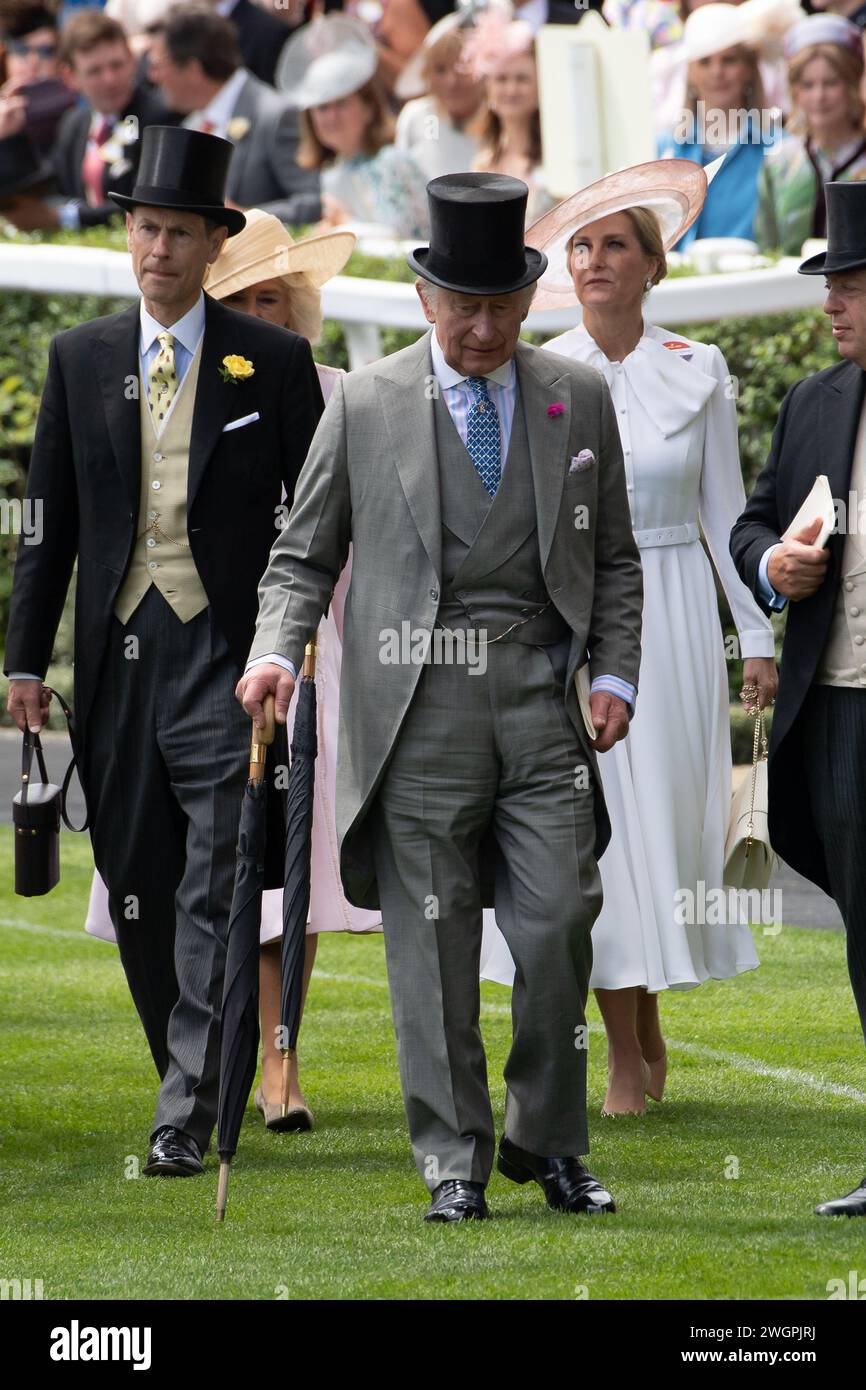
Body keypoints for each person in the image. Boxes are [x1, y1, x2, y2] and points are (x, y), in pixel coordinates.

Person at [238, 171, 644, 1223]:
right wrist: (275, 652)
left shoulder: (574, 396)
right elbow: (299, 557)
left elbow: (617, 563)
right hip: (411, 707)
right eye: (461, 307)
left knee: (558, 924)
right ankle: (452, 1161)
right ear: (423, 301)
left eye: (501, 307)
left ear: (525, 300)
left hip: (541, 703)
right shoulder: (365, 405)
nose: (481, 327)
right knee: (432, 946)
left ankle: (546, 1139)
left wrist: (611, 672)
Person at [3, 125, 324, 1177]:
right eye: (145, 228)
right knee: (135, 878)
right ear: (128, 233)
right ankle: (184, 1069)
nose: (158, 250)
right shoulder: (80, 356)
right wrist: (22, 664)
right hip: (114, 663)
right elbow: (46, 521)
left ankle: (187, 1109)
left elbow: (315, 520)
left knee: (216, 884)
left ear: (209, 243)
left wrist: (290, 638)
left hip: (226, 666)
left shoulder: (269, 362)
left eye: (179, 233)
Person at [481, 159, 777, 1115]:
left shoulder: (700, 368)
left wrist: (757, 640)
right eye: (582, 245)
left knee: (670, 833)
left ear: (652, 265)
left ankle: (645, 1030)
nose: (596, 260)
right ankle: (621, 1053)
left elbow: (725, 513)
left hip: (682, 618)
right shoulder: (545, 370)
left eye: (616, 245)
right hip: (581, 624)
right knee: (597, 838)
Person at [84, 209, 376, 1131]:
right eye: (244, 296)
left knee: (285, 868)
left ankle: (275, 1060)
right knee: (190, 870)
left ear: (302, 305)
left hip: (299, 645)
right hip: (171, 649)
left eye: (276, 297)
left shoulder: (331, 388)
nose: (262, 311)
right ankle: (203, 1059)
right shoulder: (171, 371)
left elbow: (350, 529)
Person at [731, 179, 866, 1217]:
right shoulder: (812, 400)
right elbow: (753, 522)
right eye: (829, 284)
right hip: (836, 712)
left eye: (850, 285)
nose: (830, 305)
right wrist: (771, 561)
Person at [148, 6, 321, 225]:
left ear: (192, 69)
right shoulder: (192, 123)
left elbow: (314, 202)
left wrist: (245, 217)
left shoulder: (276, 115)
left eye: (157, 65)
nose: (152, 76)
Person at [2, 10, 171, 232]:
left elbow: (146, 206)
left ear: (132, 60)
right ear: (70, 76)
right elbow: (49, 189)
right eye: (94, 71)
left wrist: (68, 218)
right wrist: (11, 136)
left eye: (116, 65)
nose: (109, 80)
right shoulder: (74, 123)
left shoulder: (159, 120)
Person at [658, 0, 802, 246]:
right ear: (691, 73)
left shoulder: (781, 149)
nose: (717, 72)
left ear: (748, 68)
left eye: (729, 60)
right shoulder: (666, 148)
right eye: (705, 62)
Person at [279, 13, 429, 238]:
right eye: (322, 108)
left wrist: (345, 225)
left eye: (341, 104)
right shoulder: (331, 171)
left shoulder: (393, 163)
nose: (331, 117)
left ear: (369, 107)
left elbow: (404, 242)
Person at [756, 14, 866, 255]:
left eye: (831, 83)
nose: (819, 97)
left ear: (851, 83)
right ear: (795, 91)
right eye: (807, 85)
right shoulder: (780, 162)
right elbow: (767, 246)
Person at [463, 8, 555, 226]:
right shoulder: (482, 161)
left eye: (522, 79)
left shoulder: (555, 159)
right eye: (502, 79)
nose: (511, 89)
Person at [394, 11, 483, 182]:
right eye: (440, 70)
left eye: (462, 67)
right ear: (427, 75)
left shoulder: (497, 118)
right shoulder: (416, 115)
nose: (452, 81)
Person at [0, 4, 74, 154]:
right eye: (21, 50)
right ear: (5, 57)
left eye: (45, 51)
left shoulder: (78, 113)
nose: (33, 62)